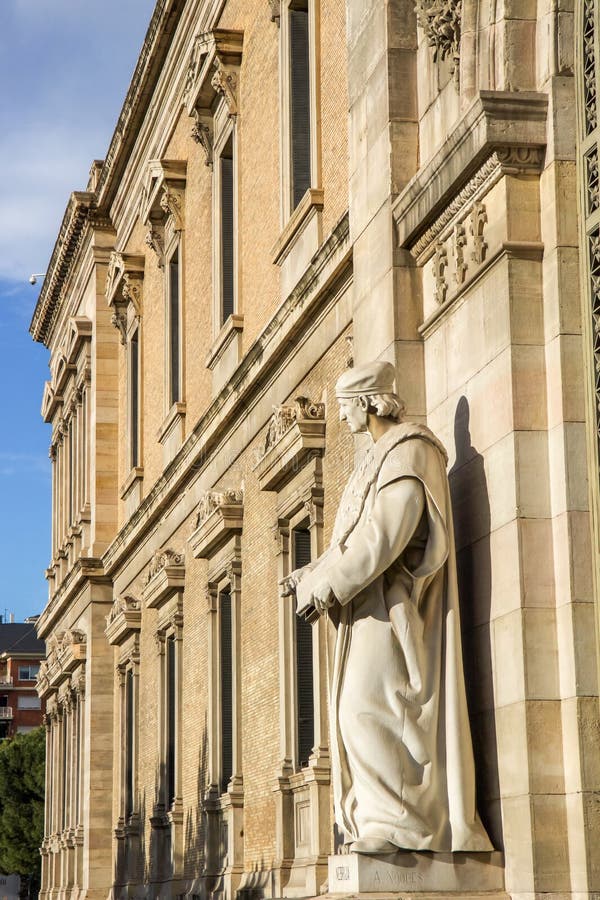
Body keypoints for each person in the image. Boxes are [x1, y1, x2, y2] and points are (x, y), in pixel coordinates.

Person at [285, 361, 492, 856]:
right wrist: (310, 575)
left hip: (394, 611)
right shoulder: (374, 461)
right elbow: (352, 541)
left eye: (345, 407)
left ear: (368, 403)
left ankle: (400, 827)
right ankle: (378, 822)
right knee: (354, 709)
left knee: (368, 706)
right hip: (367, 610)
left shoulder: (410, 453)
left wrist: (327, 584)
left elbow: (384, 537)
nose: (341, 418)